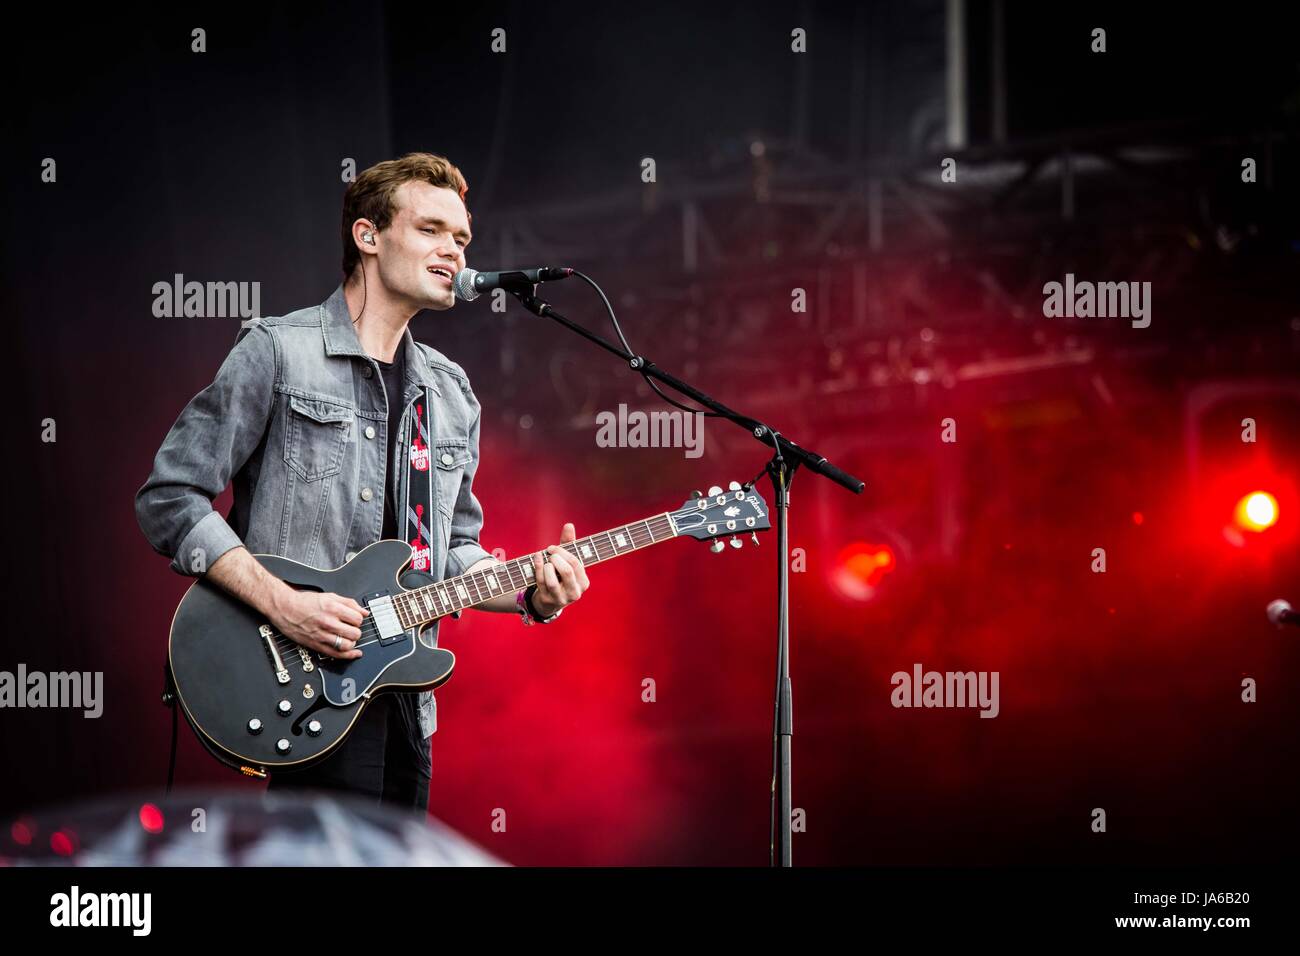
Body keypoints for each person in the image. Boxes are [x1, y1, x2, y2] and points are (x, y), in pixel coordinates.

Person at [135, 152, 589, 813]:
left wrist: (533, 591)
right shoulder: (277, 351)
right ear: (368, 237)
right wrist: (285, 603)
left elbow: (451, 554)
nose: (454, 251)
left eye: (461, 238)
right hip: (292, 688)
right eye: (431, 229)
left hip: (404, 702)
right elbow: (169, 499)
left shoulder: (451, 394)